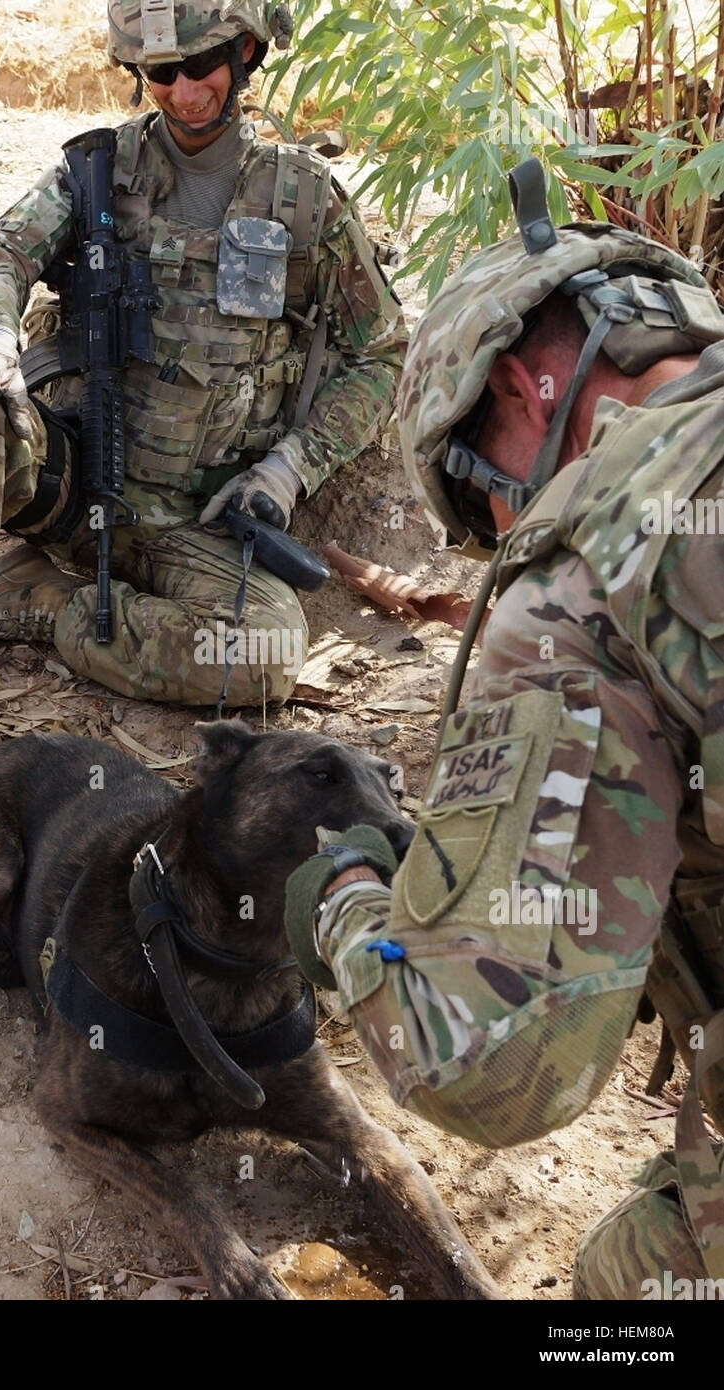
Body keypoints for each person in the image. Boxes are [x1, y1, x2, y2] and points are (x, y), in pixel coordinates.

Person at [0, 0, 405, 873]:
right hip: (76, 477)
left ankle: (37, 604)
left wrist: (292, 468)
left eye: (203, 63)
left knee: (262, 656)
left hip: (204, 521)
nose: (183, 89)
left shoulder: (303, 200)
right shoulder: (96, 174)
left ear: (248, 51)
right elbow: (4, 260)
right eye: (161, 72)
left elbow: (380, 356)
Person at [284, 160, 724, 1297]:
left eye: (483, 497)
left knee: (628, 1286)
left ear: (528, 388)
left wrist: (340, 906)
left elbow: (478, 1059)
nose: (502, 527)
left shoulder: (585, 559)